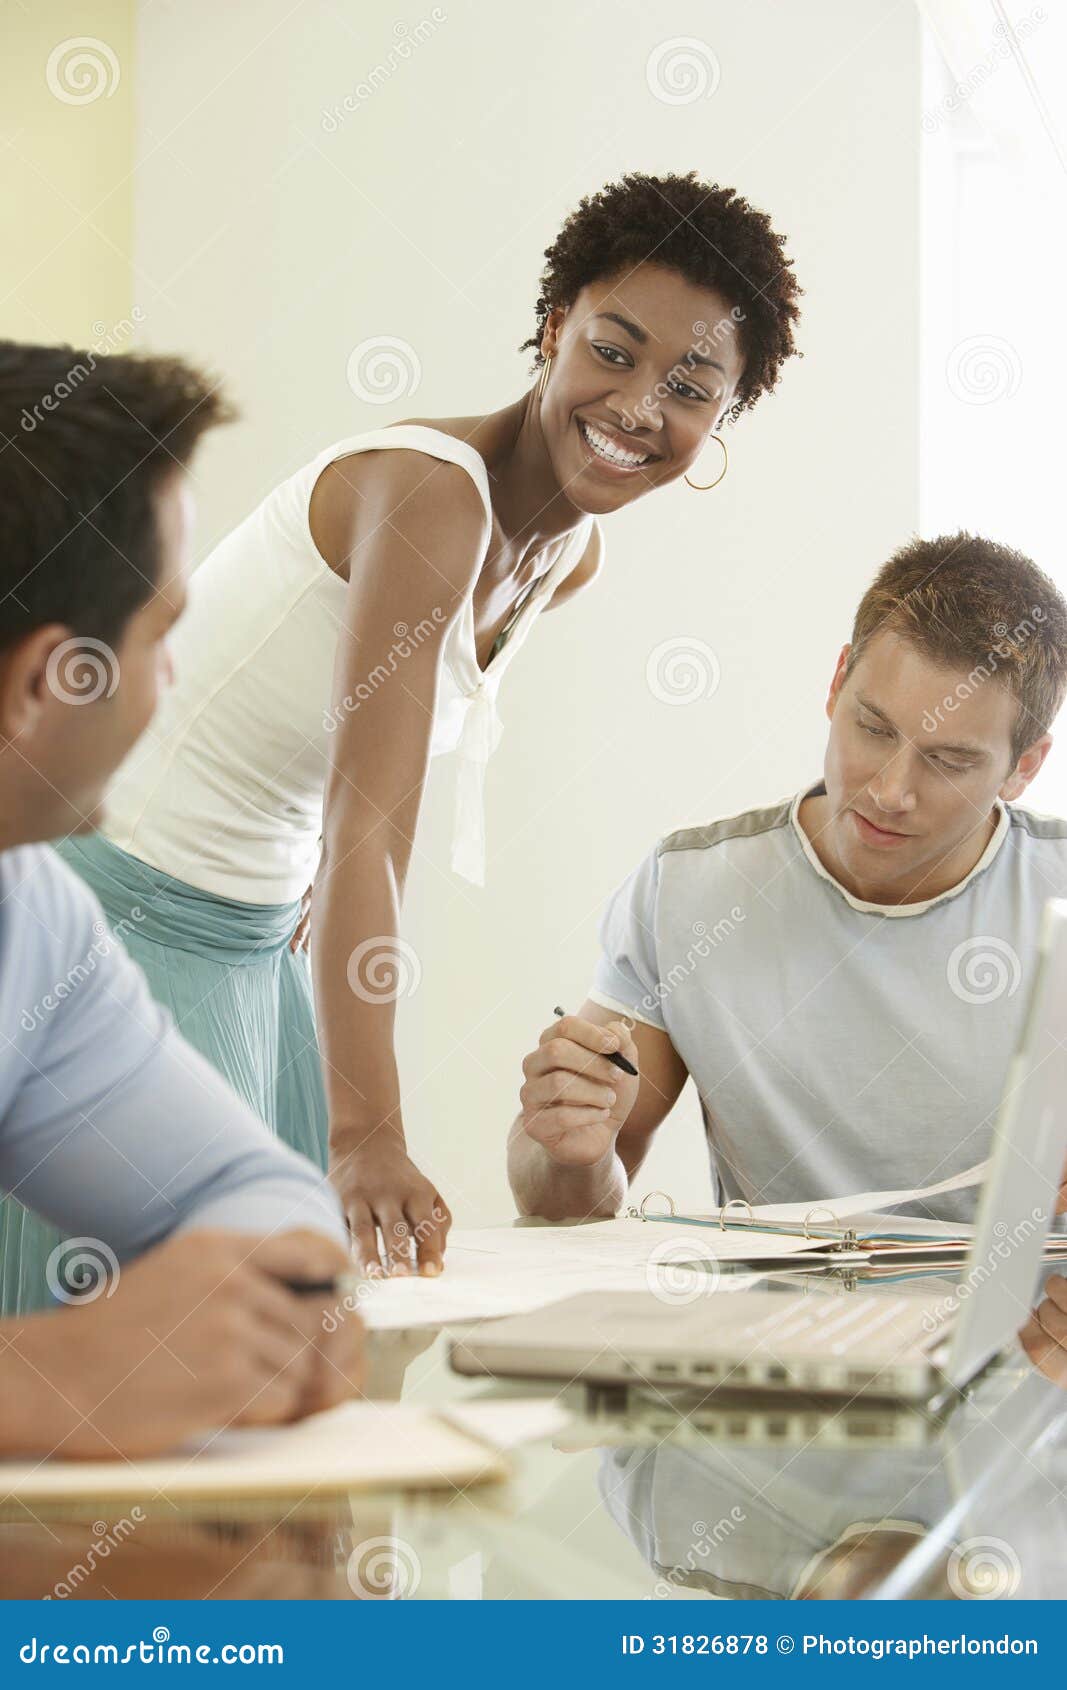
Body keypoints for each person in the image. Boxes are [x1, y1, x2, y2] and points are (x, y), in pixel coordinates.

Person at [35, 171, 803, 1280]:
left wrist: (292, 853)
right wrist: (368, 1134)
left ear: (722, 416)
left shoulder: (563, 560)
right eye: (615, 349)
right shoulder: (431, 494)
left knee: (252, 1353)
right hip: (128, 917)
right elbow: (371, 826)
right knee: (144, 1354)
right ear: (553, 329)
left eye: (690, 385)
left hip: (252, 945)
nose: (639, 405)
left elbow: (334, 768)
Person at [508, 532, 1067, 1284]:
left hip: (1030, 1365)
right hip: (781, 1365)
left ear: (1022, 766)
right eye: (873, 728)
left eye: (948, 760)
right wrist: (562, 1146)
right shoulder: (689, 892)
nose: (889, 791)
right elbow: (568, 1211)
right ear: (836, 682)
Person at [0, 340, 362, 1447]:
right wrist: (44, 1377)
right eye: (164, 632)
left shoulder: (35, 916)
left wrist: (251, 1311)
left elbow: (262, 1193)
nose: (177, 678)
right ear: (49, 681)